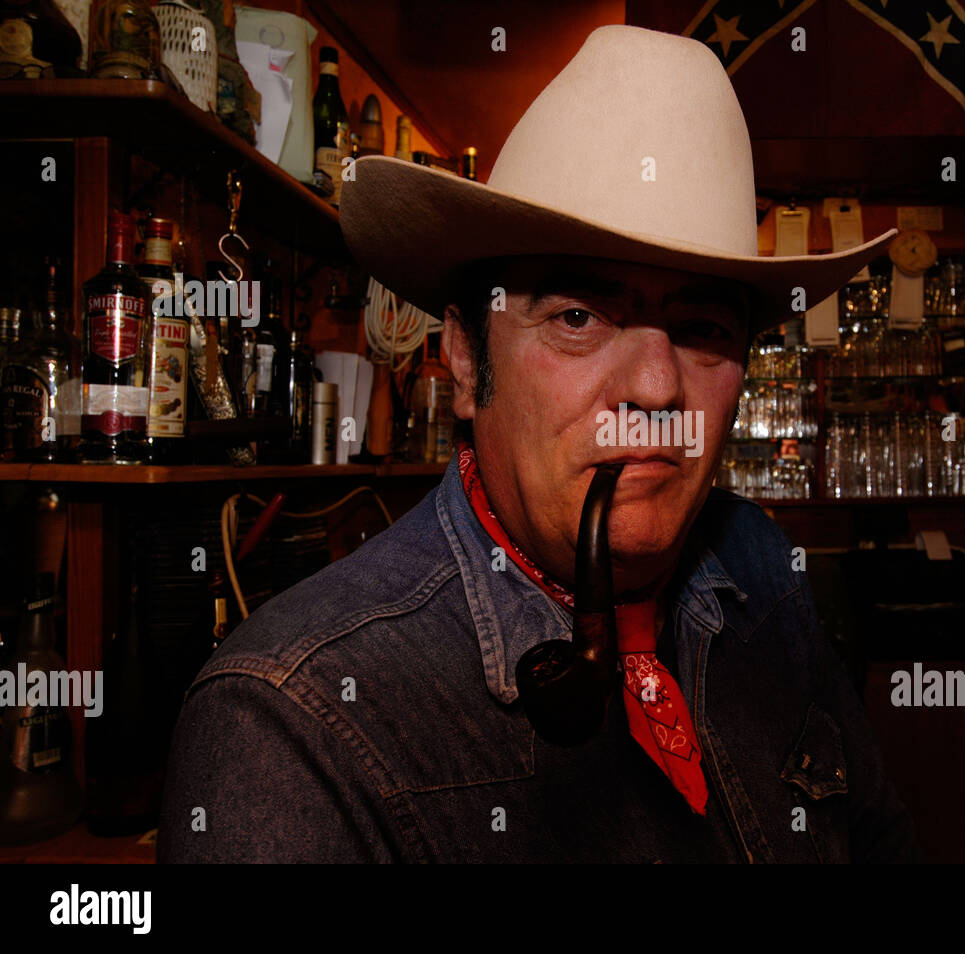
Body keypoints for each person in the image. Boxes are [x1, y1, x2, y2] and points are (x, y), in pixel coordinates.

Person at [158, 24, 918, 863]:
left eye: (702, 326)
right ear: (462, 353)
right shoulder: (294, 727)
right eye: (578, 318)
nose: (657, 391)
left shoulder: (765, 570)